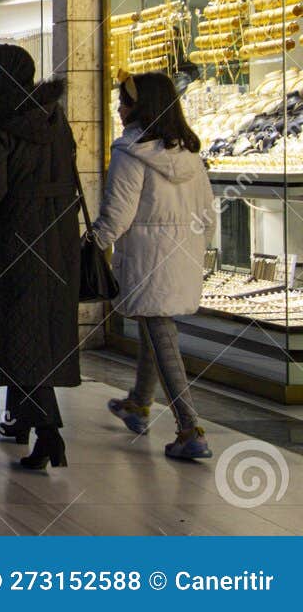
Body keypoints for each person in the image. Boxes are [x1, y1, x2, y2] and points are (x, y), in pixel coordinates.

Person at [0, 43, 81, 471]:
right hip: (57, 233)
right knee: (36, 326)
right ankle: (18, 419)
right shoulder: (52, 115)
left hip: (16, 235)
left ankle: (49, 433)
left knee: (20, 332)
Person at [94, 73, 215, 461]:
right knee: (153, 323)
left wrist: (90, 245)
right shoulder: (191, 155)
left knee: (161, 335)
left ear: (141, 106)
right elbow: (209, 216)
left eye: (124, 102)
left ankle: (189, 427)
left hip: (147, 258)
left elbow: (117, 216)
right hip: (182, 256)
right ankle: (139, 403)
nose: (118, 108)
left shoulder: (131, 153)